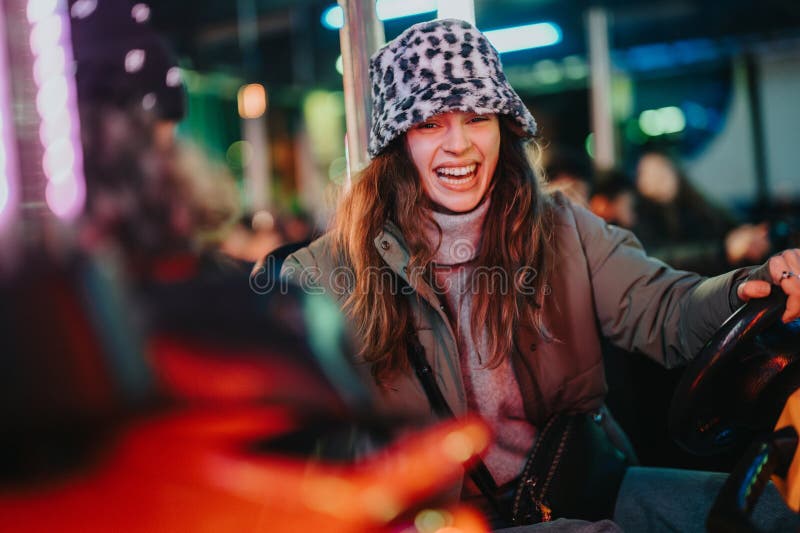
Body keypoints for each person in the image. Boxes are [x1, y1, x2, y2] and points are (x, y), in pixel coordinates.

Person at [281, 18, 800, 532]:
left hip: (571, 484)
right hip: (441, 521)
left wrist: (743, 288)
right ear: (397, 144)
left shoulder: (562, 226)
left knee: (771, 509)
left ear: (503, 129)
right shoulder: (328, 272)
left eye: (478, 117)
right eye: (430, 124)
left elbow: (666, 308)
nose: (459, 145)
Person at [634, 150, 771, 276]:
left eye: (662, 168)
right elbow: (661, 257)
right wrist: (723, 251)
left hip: (720, 281)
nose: (657, 177)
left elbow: (728, 226)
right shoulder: (638, 214)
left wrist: (747, 238)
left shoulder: (695, 202)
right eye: (648, 172)